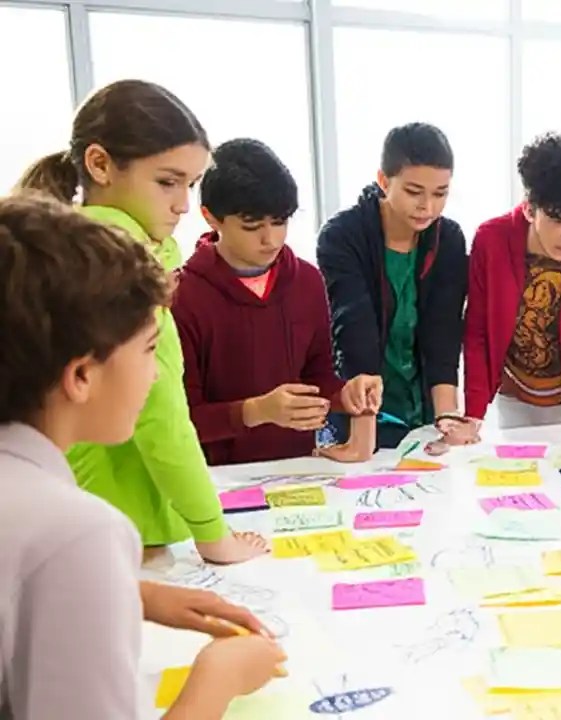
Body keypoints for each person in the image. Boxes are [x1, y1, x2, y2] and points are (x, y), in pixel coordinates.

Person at [0, 193, 286, 719]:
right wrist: (218, 679)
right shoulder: (76, 530)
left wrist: (135, 596)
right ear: (82, 375)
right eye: (150, 349)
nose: (155, 375)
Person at [15, 79, 264, 563]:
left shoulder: (71, 246)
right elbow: (161, 411)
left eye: (190, 185)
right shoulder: (115, 266)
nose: (183, 205)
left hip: (85, 508)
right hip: (116, 521)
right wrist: (212, 533)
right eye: (167, 182)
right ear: (100, 164)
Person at [172, 138, 380, 466]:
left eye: (280, 222)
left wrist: (346, 394)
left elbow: (316, 379)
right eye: (252, 226)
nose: (271, 240)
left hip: (299, 472)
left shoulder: (307, 282)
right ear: (211, 217)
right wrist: (256, 411)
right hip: (219, 478)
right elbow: (178, 420)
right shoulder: (184, 295)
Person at [317, 123, 469, 449]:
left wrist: (448, 421)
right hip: (362, 413)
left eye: (440, 193)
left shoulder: (449, 239)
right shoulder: (343, 236)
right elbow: (354, 333)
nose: (427, 206)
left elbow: (444, 334)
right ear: (384, 180)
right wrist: (361, 440)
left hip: (423, 410)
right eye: (414, 192)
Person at [463, 131, 561, 434]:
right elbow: (478, 330)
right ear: (529, 208)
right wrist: (473, 416)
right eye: (558, 220)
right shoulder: (492, 240)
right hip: (516, 387)